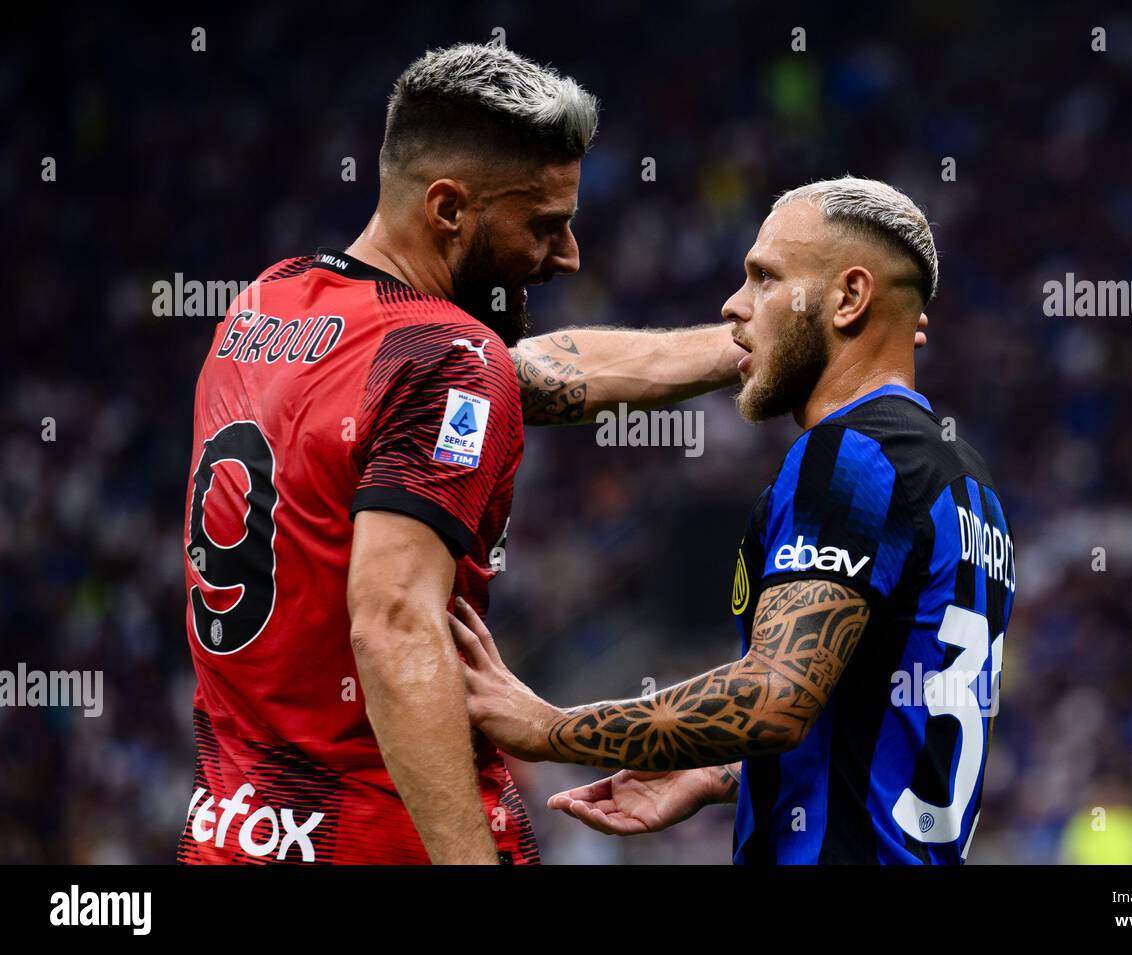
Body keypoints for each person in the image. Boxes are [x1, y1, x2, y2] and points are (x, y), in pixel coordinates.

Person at [176, 43, 745, 866]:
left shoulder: (268, 304)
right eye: (544, 224)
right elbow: (393, 622)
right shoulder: (446, 354)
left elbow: (534, 374)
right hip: (379, 834)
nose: (568, 255)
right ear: (448, 210)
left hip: (233, 831)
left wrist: (744, 349)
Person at [452, 177, 1015, 864]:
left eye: (764, 278)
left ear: (847, 298)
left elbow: (775, 696)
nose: (733, 304)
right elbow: (889, 723)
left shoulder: (851, 456)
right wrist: (718, 774)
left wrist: (548, 726)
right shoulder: (970, 484)